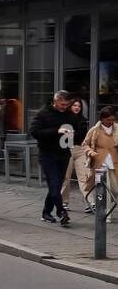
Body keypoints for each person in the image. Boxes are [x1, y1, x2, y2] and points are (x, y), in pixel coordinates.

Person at [29, 90, 88, 227]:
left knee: (56, 185)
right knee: (54, 184)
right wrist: (56, 131)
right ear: (55, 102)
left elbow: (80, 130)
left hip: (64, 154)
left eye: (66, 104)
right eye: (61, 104)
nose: (64, 107)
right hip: (47, 154)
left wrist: (76, 133)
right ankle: (62, 212)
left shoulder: (70, 116)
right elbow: (35, 132)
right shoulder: (43, 114)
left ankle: (46, 212)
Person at [82, 106, 118, 214]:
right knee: (102, 190)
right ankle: (105, 213)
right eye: (108, 120)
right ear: (102, 119)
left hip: (114, 163)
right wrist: (91, 152)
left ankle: (105, 207)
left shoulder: (117, 129)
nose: (111, 122)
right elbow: (85, 144)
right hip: (99, 164)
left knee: (115, 190)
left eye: (113, 119)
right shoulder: (94, 130)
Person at [62, 97, 89, 210]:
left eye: (79, 106)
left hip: (80, 149)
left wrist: (71, 133)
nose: (77, 107)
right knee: (65, 177)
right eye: (75, 105)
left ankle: (89, 203)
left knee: (84, 177)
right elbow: (63, 135)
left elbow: (81, 135)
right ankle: (64, 202)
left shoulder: (82, 120)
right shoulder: (64, 118)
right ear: (70, 106)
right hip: (67, 148)